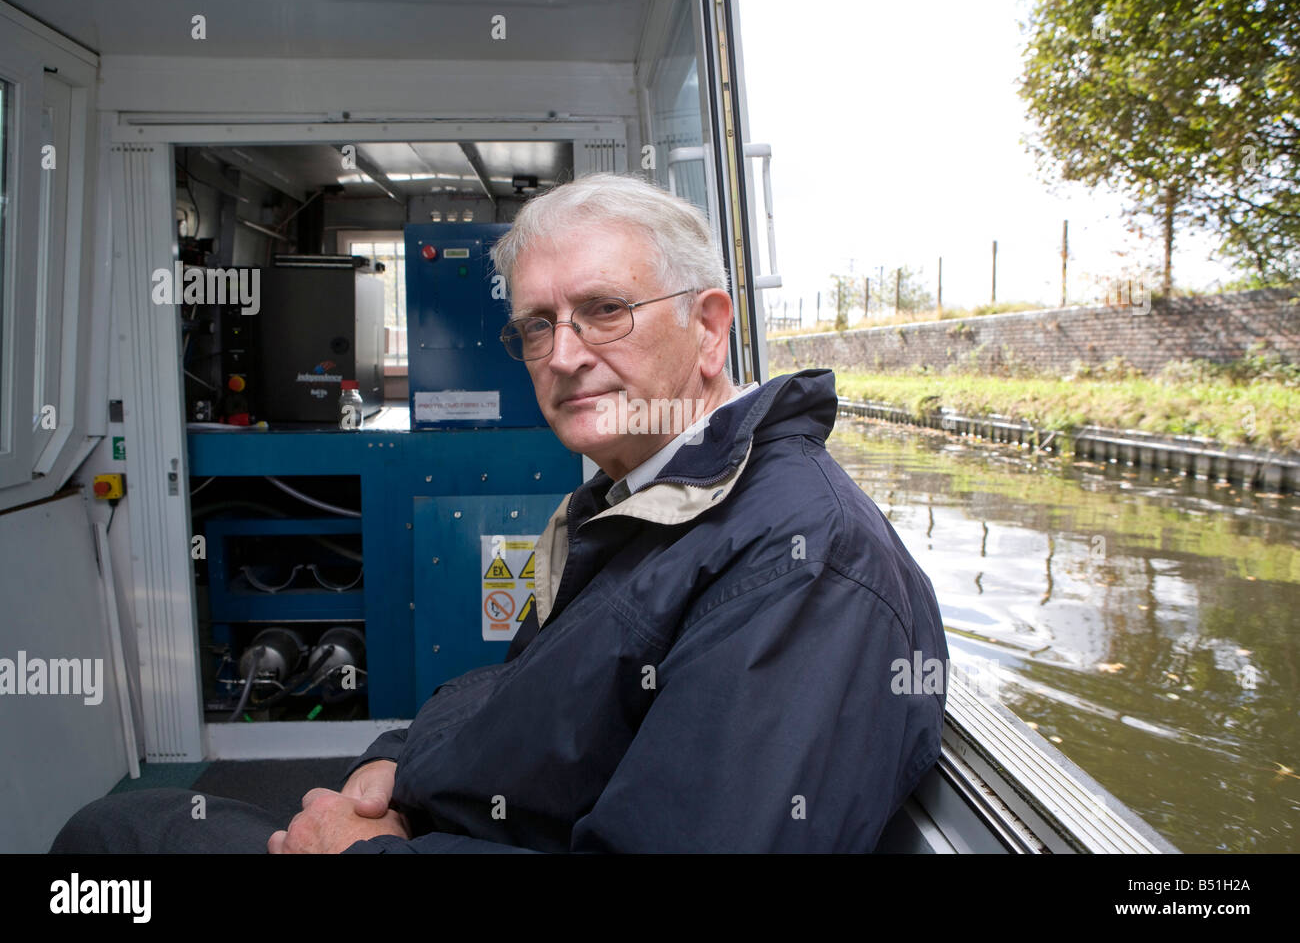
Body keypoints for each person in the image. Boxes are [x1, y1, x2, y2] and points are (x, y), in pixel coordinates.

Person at [51, 172, 947, 854]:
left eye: (604, 312)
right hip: (439, 809)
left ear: (710, 328)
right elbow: (520, 693)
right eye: (536, 326)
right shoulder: (636, 495)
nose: (564, 355)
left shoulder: (803, 562)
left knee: (112, 846)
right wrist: (394, 758)